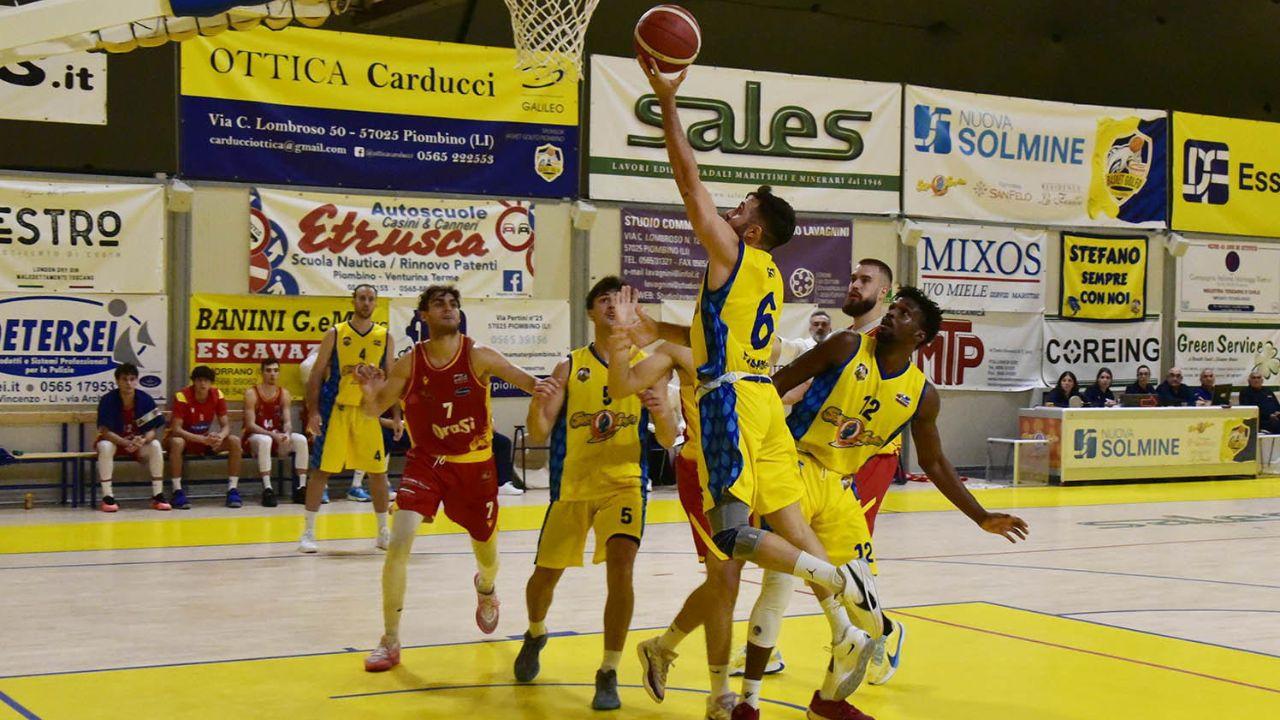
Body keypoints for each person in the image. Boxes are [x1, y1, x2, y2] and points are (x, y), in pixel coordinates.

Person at [632, 56, 887, 720]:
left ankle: (834, 584)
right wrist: (655, 327)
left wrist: (667, 102)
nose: (728, 207)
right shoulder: (767, 274)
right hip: (763, 403)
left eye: (740, 207)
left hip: (729, 404)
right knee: (791, 529)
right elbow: (715, 339)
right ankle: (844, 628)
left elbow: (687, 181)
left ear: (750, 230)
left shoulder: (732, 253)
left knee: (731, 536)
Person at [738, 288, 1030, 720]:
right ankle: (747, 702)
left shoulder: (921, 394)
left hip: (841, 487)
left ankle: (828, 701)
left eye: (904, 313)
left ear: (920, 335)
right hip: (794, 463)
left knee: (869, 617)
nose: (892, 314)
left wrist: (981, 516)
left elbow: (933, 461)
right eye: (892, 308)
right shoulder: (846, 345)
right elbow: (774, 388)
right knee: (777, 586)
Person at [356, 285, 543, 674]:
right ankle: (390, 639)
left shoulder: (478, 355)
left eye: (453, 304)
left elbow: (532, 384)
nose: (448, 308)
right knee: (398, 544)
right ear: (424, 315)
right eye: (439, 304)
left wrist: (563, 387)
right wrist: (369, 392)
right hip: (426, 463)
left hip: (475, 466)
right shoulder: (409, 363)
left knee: (488, 557)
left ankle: (486, 588)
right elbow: (372, 410)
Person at [514, 276, 680, 711]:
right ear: (590, 311)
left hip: (625, 483)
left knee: (621, 569)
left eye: (618, 299)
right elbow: (539, 433)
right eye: (603, 299)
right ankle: (535, 632)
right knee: (545, 577)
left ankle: (609, 669)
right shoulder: (570, 365)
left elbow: (667, 439)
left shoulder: (647, 365)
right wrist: (536, 407)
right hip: (573, 484)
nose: (611, 305)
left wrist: (663, 413)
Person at [604, 285, 745, 719]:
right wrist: (620, 339)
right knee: (725, 579)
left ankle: (662, 647)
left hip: (752, 469)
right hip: (704, 473)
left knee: (729, 581)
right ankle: (721, 693)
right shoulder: (677, 351)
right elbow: (622, 385)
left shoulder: (757, 348)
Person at [299, 285, 397, 553]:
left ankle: (383, 532)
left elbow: (391, 379)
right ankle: (308, 532)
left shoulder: (385, 336)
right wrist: (313, 412)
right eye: (362, 298)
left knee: (378, 472)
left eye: (371, 299)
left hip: (368, 412)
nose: (366, 303)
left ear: (375, 303)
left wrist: (396, 415)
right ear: (353, 301)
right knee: (321, 471)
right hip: (337, 410)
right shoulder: (335, 333)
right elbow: (315, 375)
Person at [95, 363, 168, 512]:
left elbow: (152, 429)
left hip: (137, 444)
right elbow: (105, 431)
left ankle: (158, 495)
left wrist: (143, 440)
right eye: (124, 379)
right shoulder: (108, 400)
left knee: (155, 445)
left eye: (132, 379)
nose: (128, 383)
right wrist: (125, 442)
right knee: (104, 446)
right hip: (116, 443)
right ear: (117, 381)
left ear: (137, 380)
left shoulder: (145, 400)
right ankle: (108, 497)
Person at [166, 365, 241, 509]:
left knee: (234, 441)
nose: (203, 384)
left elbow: (226, 426)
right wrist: (201, 439)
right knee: (177, 442)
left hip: (204, 440)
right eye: (199, 380)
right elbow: (176, 429)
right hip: (184, 439)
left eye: (206, 380)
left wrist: (219, 436)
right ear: (193, 381)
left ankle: (233, 489)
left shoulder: (217, 395)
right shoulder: (182, 396)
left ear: (211, 382)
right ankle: (177, 491)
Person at [242, 358, 309, 508]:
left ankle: (301, 487)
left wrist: (286, 434)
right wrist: (273, 435)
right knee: (265, 440)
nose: (272, 374)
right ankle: (268, 489)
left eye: (276, 370)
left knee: (301, 440)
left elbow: (287, 421)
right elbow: (250, 425)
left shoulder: (284, 393)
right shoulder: (251, 393)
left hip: (276, 436)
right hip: (254, 438)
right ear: (262, 373)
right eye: (268, 370)